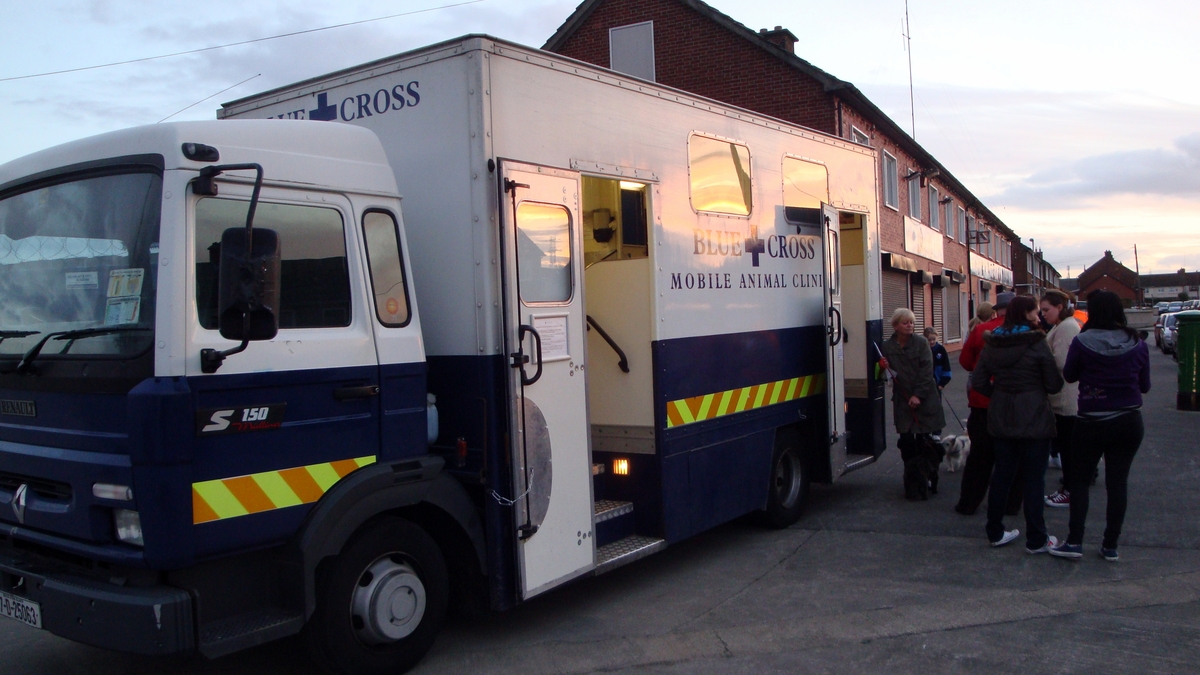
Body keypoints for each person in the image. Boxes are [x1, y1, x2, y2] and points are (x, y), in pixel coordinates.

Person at [1050, 290, 1151, 562]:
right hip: (1129, 421)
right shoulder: (1137, 343)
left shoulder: (1083, 342)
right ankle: (1110, 545)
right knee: (1118, 483)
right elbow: (1145, 386)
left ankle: (1074, 542)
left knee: (1080, 482)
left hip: (1092, 421)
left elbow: (1069, 376)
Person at [969, 294, 1064, 552]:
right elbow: (1054, 384)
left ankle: (995, 531)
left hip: (1001, 417)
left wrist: (999, 396)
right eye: (1035, 311)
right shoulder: (1037, 342)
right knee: (1034, 480)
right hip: (1034, 417)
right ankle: (1037, 538)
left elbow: (977, 382)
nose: (1038, 316)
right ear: (1026, 314)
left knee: (1001, 475)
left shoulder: (993, 343)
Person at [956, 292, 1023, 516]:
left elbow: (965, 362)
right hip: (1014, 405)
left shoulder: (980, 330)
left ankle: (969, 503)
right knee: (1013, 458)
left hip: (983, 403)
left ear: (997, 309)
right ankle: (1010, 505)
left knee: (979, 459)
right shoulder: (1028, 333)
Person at [878, 308, 945, 493]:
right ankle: (911, 476)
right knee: (906, 442)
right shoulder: (887, 347)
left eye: (912, 322)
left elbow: (927, 371)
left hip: (924, 398)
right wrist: (882, 368)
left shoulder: (922, 343)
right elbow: (883, 376)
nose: (909, 325)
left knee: (925, 441)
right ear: (895, 325)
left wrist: (918, 395)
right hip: (903, 400)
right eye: (905, 322)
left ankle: (929, 476)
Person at [1040, 290, 1080, 505]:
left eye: (1047, 310)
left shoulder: (1066, 328)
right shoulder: (1061, 326)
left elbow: (1062, 362)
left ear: (1060, 307)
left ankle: (1070, 491)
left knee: (1068, 449)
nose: (1043, 314)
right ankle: (1069, 489)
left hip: (1066, 398)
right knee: (1067, 447)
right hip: (1062, 397)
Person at [925, 327, 952, 391]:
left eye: (934, 339)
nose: (932, 342)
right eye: (929, 340)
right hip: (925, 384)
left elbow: (946, 366)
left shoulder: (941, 349)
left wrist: (942, 383)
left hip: (937, 383)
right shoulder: (923, 350)